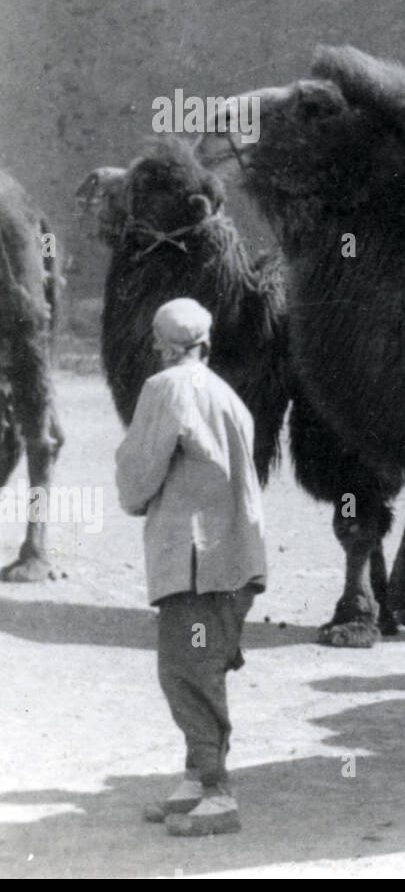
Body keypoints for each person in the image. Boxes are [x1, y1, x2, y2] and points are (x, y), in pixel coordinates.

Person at [115, 297, 266, 837]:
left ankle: (217, 793)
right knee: (202, 667)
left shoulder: (165, 390)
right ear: (205, 343)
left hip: (195, 566)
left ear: (164, 344)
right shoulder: (227, 395)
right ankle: (196, 778)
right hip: (232, 561)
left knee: (186, 671)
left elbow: (136, 481)